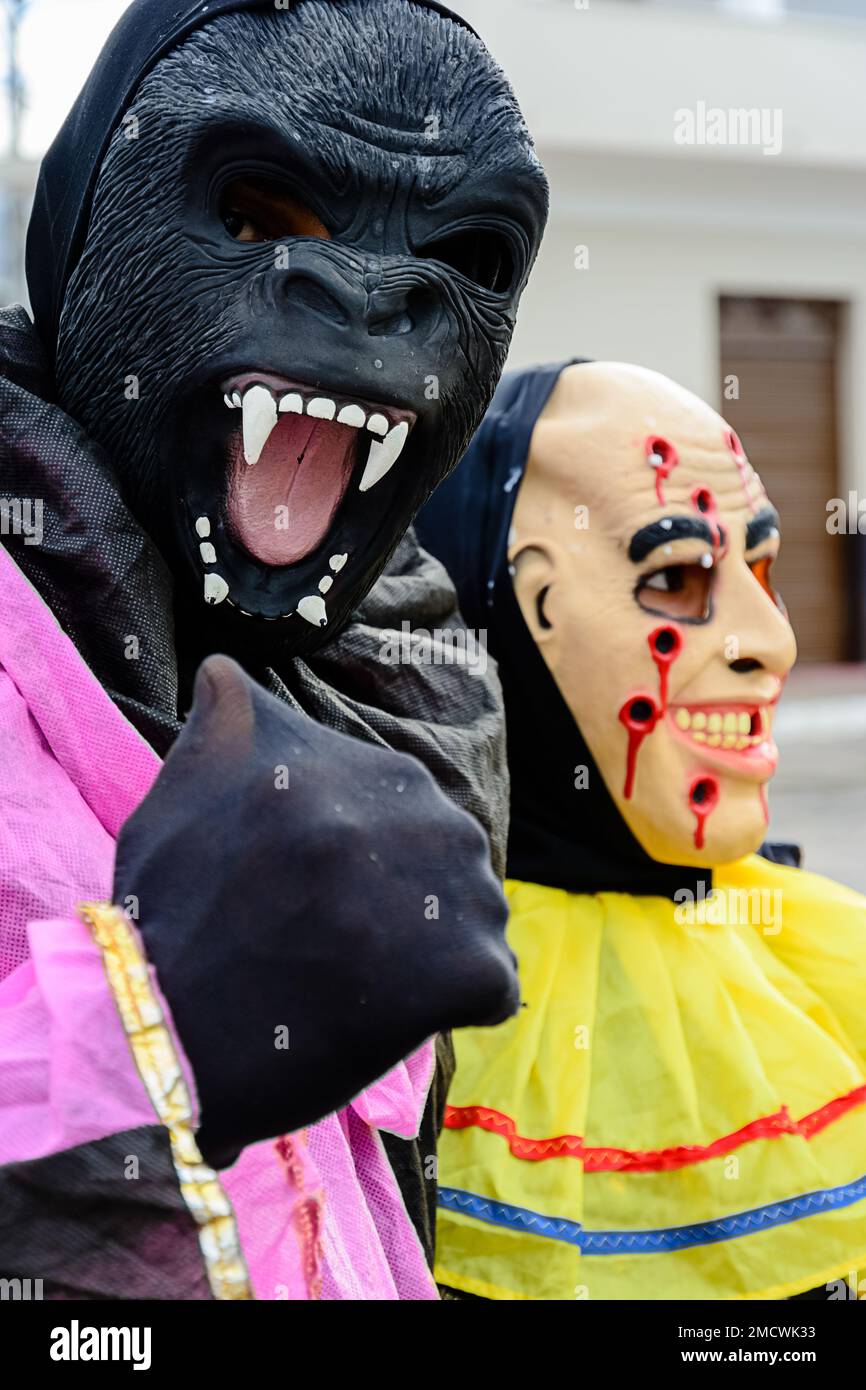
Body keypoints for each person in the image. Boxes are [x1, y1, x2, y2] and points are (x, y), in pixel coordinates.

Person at [0, 0, 548, 1300]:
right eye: (258, 211)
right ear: (88, 226)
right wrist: (152, 1019)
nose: (373, 291)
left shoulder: (412, 671)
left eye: (465, 248)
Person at [416, 361, 866, 1300]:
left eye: (761, 567)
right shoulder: (407, 993)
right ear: (520, 609)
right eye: (677, 574)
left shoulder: (831, 962)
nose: (770, 640)